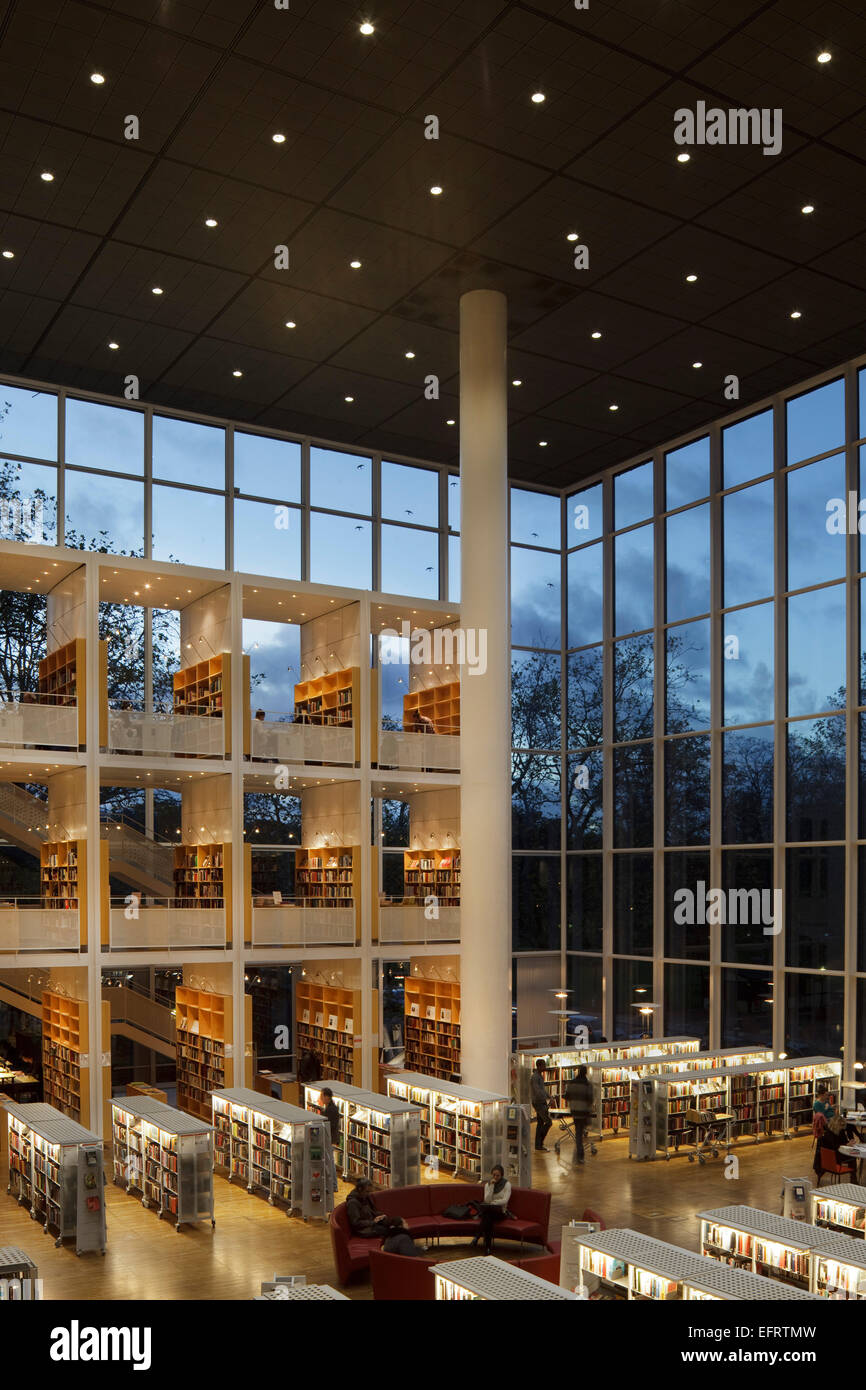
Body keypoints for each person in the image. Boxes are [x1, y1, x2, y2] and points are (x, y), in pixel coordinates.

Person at [470, 1165, 512, 1256]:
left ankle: (477, 1237)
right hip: (490, 1211)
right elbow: (487, 1200)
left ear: (502, 1175)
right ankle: (487, 1248)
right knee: (488, 1218)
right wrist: (491, 1186)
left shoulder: (507, 1184)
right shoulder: (488, 1185)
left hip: (501, 1211)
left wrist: (493, 1203)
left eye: (498, 1176)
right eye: (494, 1175)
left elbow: (505, 1200)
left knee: (487, 1216)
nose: (495, 1178)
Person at [565, 1064, 594, 1166]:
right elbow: (590, 1099)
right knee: (580, 1133)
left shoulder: (571, 1083)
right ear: (585, 1073)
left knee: (578, 1132)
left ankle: (579, 1150)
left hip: (574, 1110)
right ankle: (580, 1155)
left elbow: (567, 1096)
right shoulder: (587, 1085)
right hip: (583, 1111)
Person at [530, 1057, 552, 1151]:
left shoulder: (539, 1076)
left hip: (540, 1102)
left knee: (540, 1123)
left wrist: (549, 1096)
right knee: (548, 1122)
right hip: (538, 1102)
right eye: (543, 1065)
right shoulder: (535, 1077)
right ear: (539, 1066)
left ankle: (538, 1145)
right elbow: (538, 1091)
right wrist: (546, 1098)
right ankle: (539, 1142)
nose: (545, 1067)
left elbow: (542, 1089)